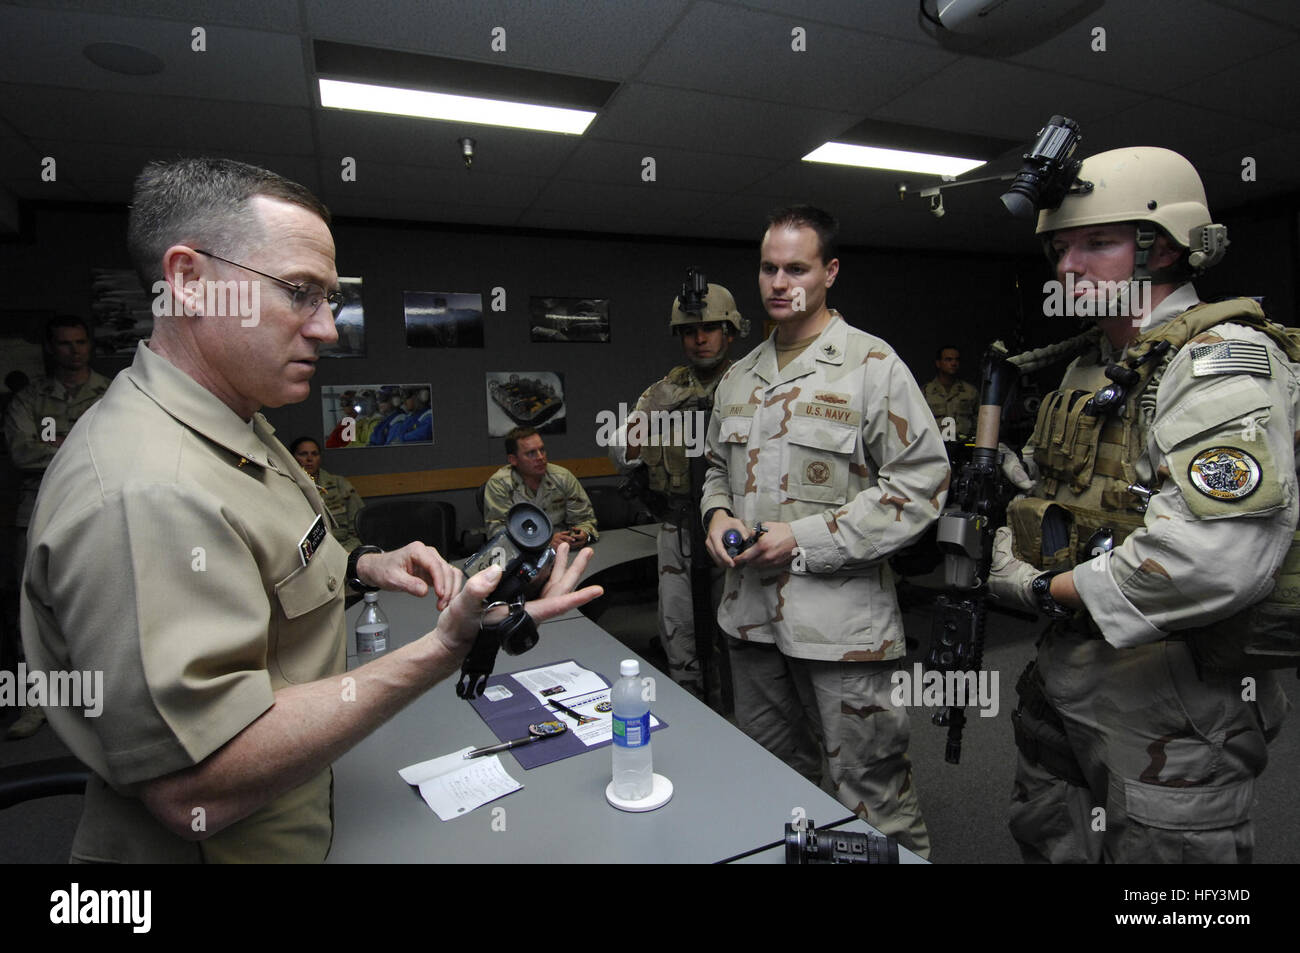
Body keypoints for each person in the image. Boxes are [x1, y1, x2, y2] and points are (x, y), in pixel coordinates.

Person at [19, 157, 599, 862]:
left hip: (308, 802)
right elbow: (194, 787)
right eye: (301, 292)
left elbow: (276, 558)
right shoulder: (147, 489)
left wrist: (366, 563)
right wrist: (445, 648)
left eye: (329, 297)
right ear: (189, 280)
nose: (327, 327)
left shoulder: (234, 419)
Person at [987, 146, 1295, 863]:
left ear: (1166, 247)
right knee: (1051, 839)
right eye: (1060, 246)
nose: (1070, 266)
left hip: (1173, 701)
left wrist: (1041, 586)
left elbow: (1214, 557)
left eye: (1099, 242)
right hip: (1066, 673)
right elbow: (1056, 486)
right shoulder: (1089, 363)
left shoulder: (1219, 361)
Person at [700, 205, 950, 856]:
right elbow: (714, 471)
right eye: (768, 268)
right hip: (750, 622)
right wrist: (716, 514)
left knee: (870, 794)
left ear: (829, 272)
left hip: (841, 631)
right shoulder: (739, 377)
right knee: (772, 781)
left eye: (797, 268)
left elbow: (921, 484)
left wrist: (805, 537)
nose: (779, 282)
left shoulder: (872, 366)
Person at [609, 279, 744, 700]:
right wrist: (643, 429)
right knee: (678, 627)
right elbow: (619, 450)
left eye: (709, 329)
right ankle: (693, 704)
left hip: (735, 528)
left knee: (740, 627)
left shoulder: (752, 386)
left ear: (731, 331)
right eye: (689, 331)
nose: (699, 339)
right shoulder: (663, 391)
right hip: (677, 528)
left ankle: (745, 717)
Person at [3, 315, 111, 740]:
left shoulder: (112, 392)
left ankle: (99, 700)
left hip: (96, 513)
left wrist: (57, 449)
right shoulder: (29, 398)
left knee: (101, 606)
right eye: (64, 343)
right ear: (51, 348)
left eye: (80, 342)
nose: (74, 350)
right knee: (29, 610)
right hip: (38, 513)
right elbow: (20, 451)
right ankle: (34, 704)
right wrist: (81, 451)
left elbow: (120, 447)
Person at [484, 426, 598, 550]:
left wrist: (584, 534)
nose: (540, 457)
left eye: (542, 450)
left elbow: (585, 519)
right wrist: (545, 543)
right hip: (523, 556)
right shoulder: (499, 485)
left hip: (565, 550)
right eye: (531, 453)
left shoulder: (562, 477)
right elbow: (498, 535)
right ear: (513, 460)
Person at [291, 436, 365, 552]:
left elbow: (358, 526)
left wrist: (348, 552)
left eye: (314, 454)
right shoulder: (288, 488)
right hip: (307, 554)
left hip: (344, 547)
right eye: (303, 454)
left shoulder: (339, 484)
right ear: (292, 458)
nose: (309, 459)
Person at [922, 345, 978, 440]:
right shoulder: (925, 392)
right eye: (948, 359)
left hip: (963, 447)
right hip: (935, 446)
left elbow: (980, 422)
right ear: (938, 363)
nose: (953, 363)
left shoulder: (970, 392)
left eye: (956, 360)